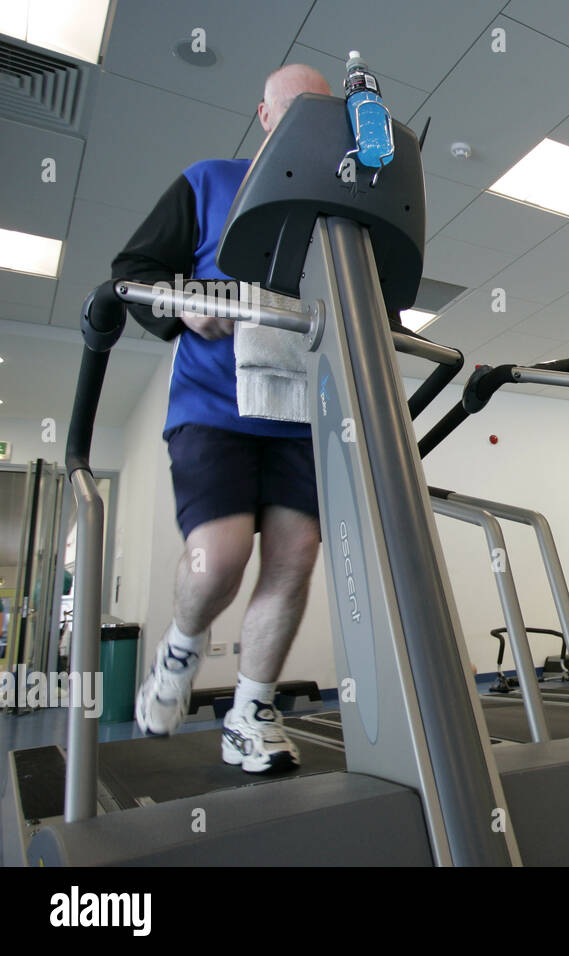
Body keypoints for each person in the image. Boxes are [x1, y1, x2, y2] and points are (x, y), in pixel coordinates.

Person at [112, 65, 336, 772]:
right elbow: (135, 269)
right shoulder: (209, 180)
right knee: (223, 557)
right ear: (266, 117)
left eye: (320, 113)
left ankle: (251, 711)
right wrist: (180, 301)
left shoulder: (333, 211)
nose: (306, 122)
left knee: (295, 556)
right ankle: (181, 646)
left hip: (298, 411)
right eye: (294, 109)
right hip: (215, 404)